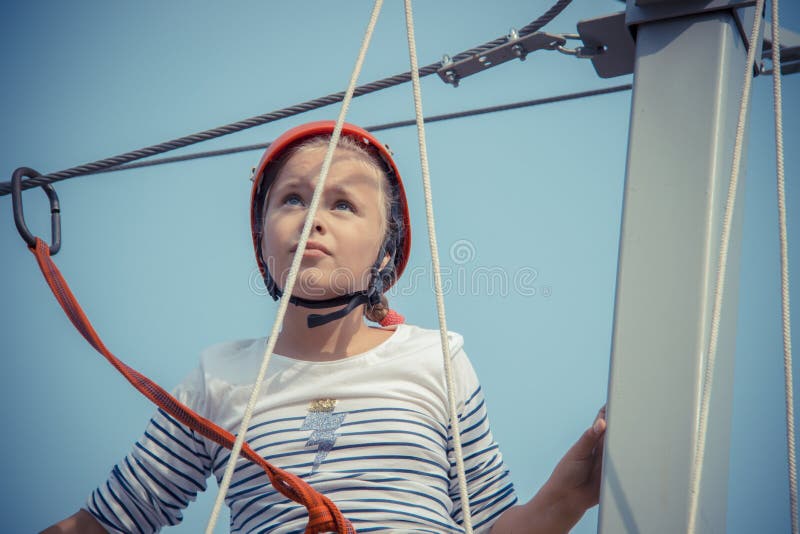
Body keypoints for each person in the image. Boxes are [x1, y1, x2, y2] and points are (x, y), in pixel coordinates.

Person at [43, 121, 606, 534]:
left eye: (343, 205)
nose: (312, 219)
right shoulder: (218, 379)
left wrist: (570, 495)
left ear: (386, 253)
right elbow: (104, 523)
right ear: (261, 238)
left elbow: (491, 524)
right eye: (292, 199)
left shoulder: (436, 360)